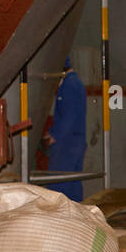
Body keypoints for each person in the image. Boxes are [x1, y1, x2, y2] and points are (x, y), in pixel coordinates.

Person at [40, 56, 87, 201]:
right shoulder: (76, 83)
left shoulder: (68, 85)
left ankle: (60, 222)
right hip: (75, 142)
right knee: (72, 185)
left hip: (66, 145)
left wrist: (54, 135)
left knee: (59, 189)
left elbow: (68, 116)